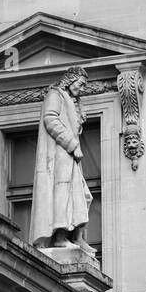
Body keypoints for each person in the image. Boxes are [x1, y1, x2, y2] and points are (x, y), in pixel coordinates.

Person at [31, 67, 93, 250]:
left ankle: (77, 237)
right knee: (62, 195)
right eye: (80, 84)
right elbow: (50, 119)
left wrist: (79, 117)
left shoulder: (71, 100)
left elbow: (70, 123)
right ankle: (60, 237)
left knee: (81, 195)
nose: (82, 89)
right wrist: (72, 144)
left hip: (69, 156)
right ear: (70, 80)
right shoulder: (55, 95)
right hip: (59, 155)